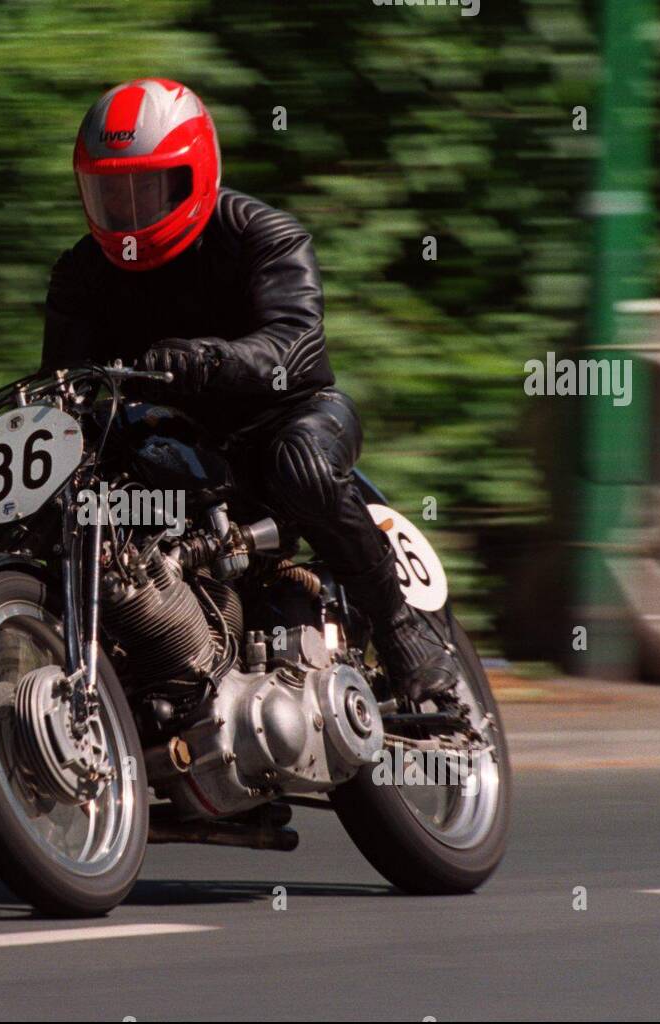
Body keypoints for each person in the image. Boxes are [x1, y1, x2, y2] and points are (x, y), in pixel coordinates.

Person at [41, 78, 456, 703]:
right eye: (111, 193)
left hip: (291, 416)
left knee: (301, 465)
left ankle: (401, 628)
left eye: (145, 189)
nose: (128, 212)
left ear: (193, 175)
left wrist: (209, 361)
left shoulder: (262, 234)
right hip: (176, 442)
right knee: (74, 501)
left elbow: (297, 344)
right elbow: (65, 387)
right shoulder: (79, 274)